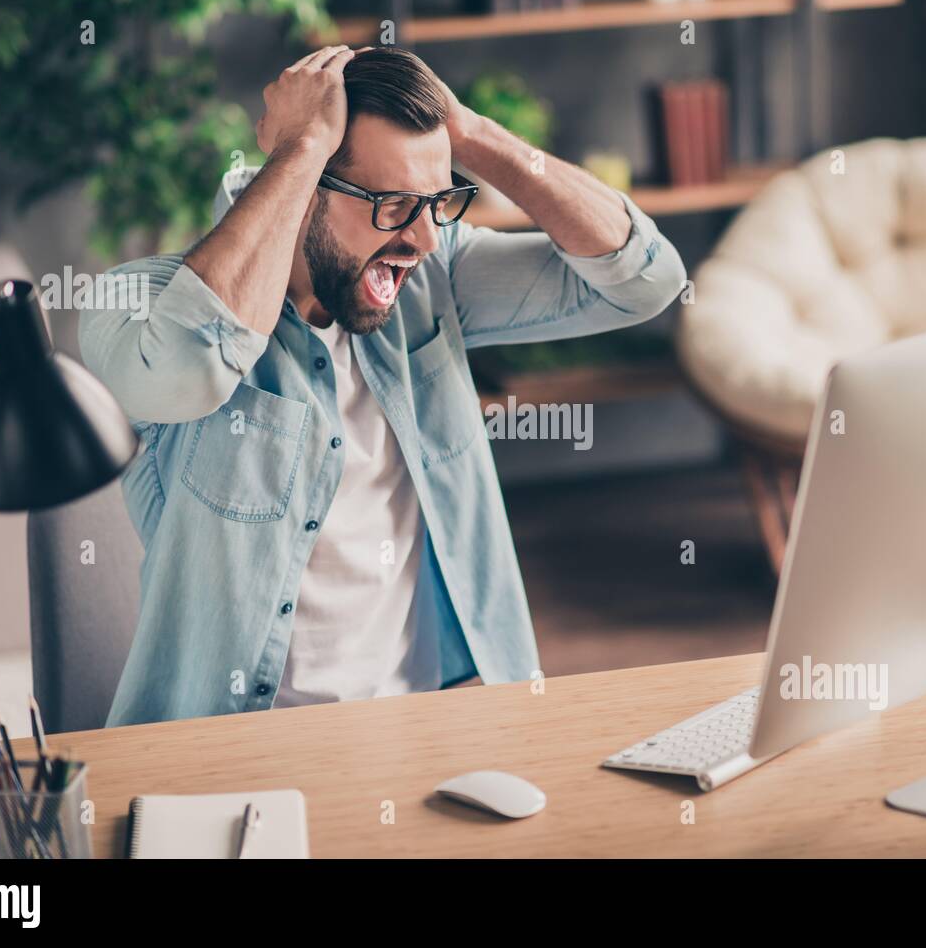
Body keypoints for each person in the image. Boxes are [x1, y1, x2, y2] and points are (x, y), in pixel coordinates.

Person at [80, 45, 686, 726]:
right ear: (303, 185)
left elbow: (646, 282)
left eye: (435, 202)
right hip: (233, 751)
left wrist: (469, 133)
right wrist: (304, 142)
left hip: (426, 727)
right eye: (395, 205)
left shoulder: (433, 282)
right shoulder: (137, 302)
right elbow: (189, 372)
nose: (424, 238)